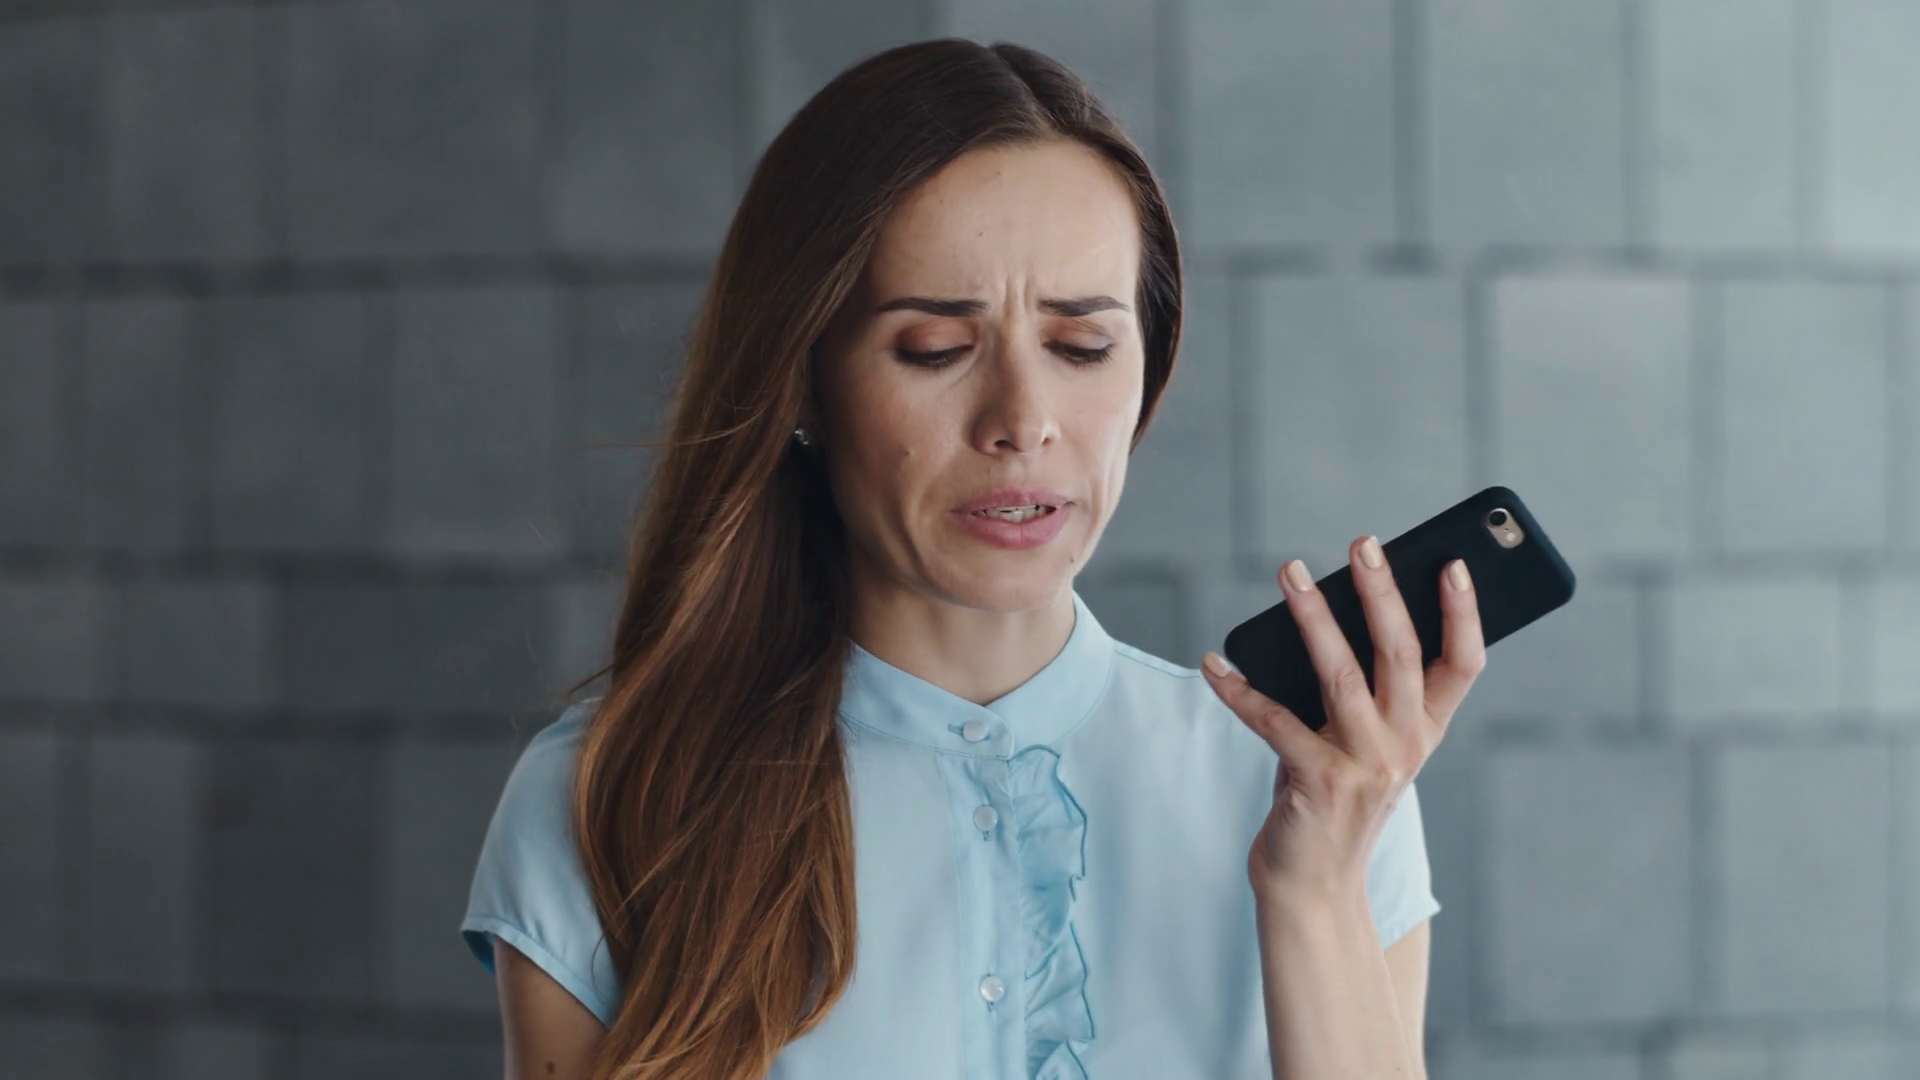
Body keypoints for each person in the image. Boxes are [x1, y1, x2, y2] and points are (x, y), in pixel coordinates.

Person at [460, 36, 1483, 1080]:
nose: (1022, 422)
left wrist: (1312, 898)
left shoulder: (1319, 786)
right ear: (803, 380)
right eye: (934, 351)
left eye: (1082, 347)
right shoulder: (610, 794)